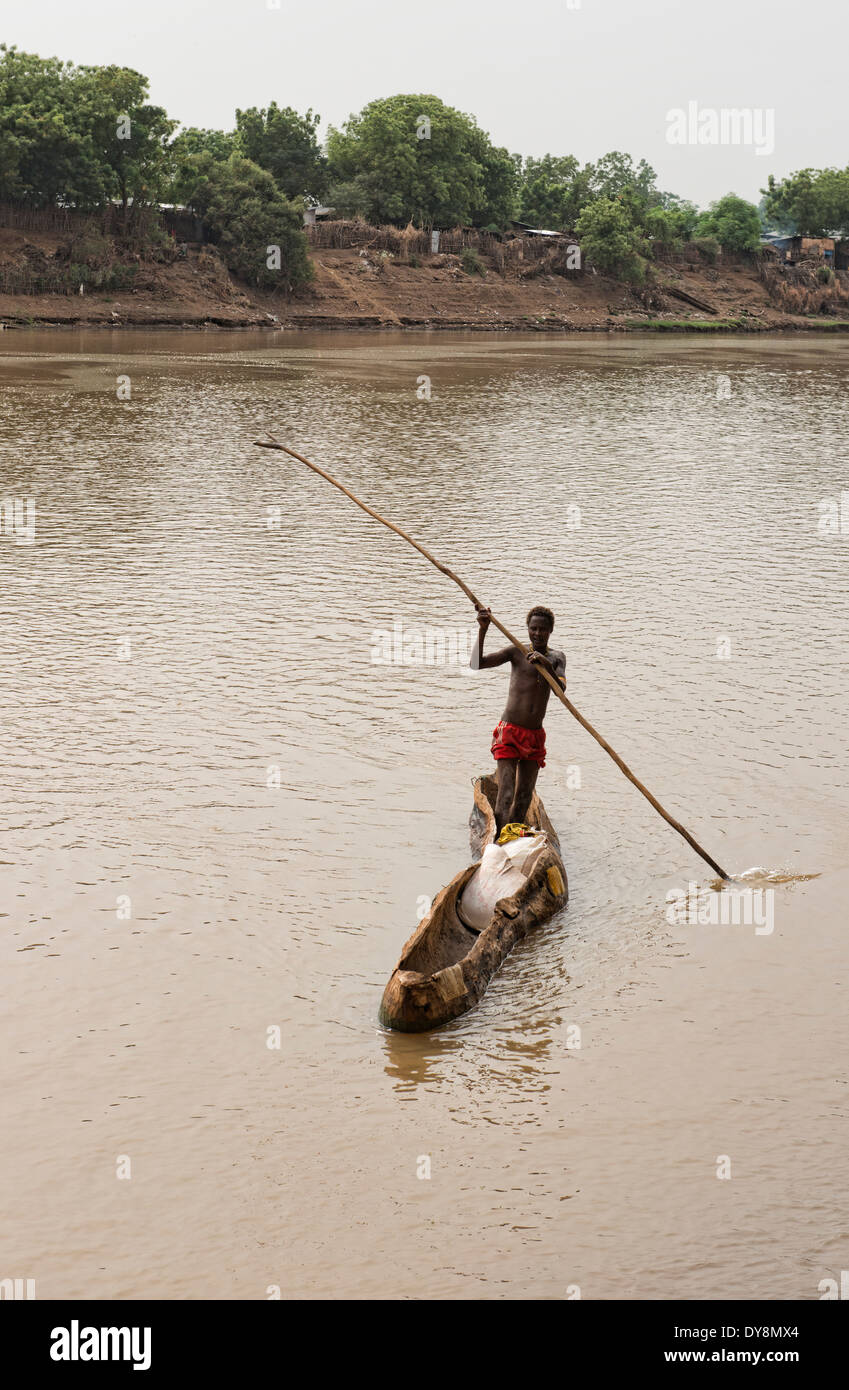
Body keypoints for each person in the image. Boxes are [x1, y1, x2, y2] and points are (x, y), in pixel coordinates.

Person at [471, 605, 566, 839]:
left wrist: (545, 664)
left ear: (550, 631)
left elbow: (561, 690)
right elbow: (476, 664)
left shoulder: (556, 658)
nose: (537, 634)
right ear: (528, 629)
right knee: (505, 794)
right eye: (533, 629)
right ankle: (498, 844)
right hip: (510, 732)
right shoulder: (516, 652)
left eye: (542, 630)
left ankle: (512, 837)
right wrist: (483, 630)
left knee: (524, 797)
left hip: (534, 736)